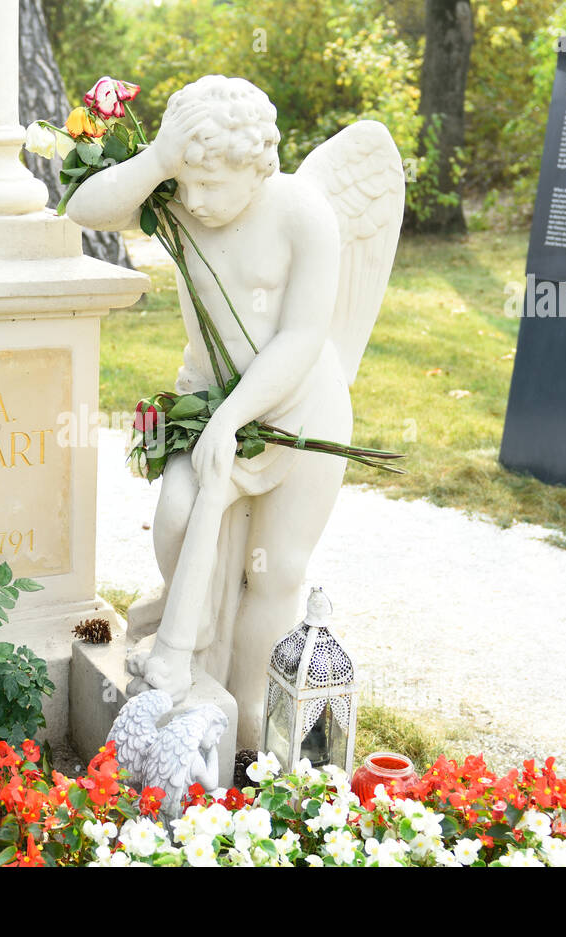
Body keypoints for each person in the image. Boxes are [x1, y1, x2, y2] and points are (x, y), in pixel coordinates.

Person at [66, 75, 352, 746]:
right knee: (176, 518)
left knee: (275, 570)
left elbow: (303, 338)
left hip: (300, 408)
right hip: (207, 399)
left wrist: (232, 418)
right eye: (185, 183)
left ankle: (249, 724)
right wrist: (162, 161)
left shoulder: (301, 213)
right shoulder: (179, 199)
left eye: (212, 185)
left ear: (257, 167)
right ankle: (189, 643)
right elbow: (84, 206)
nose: (194, 200)